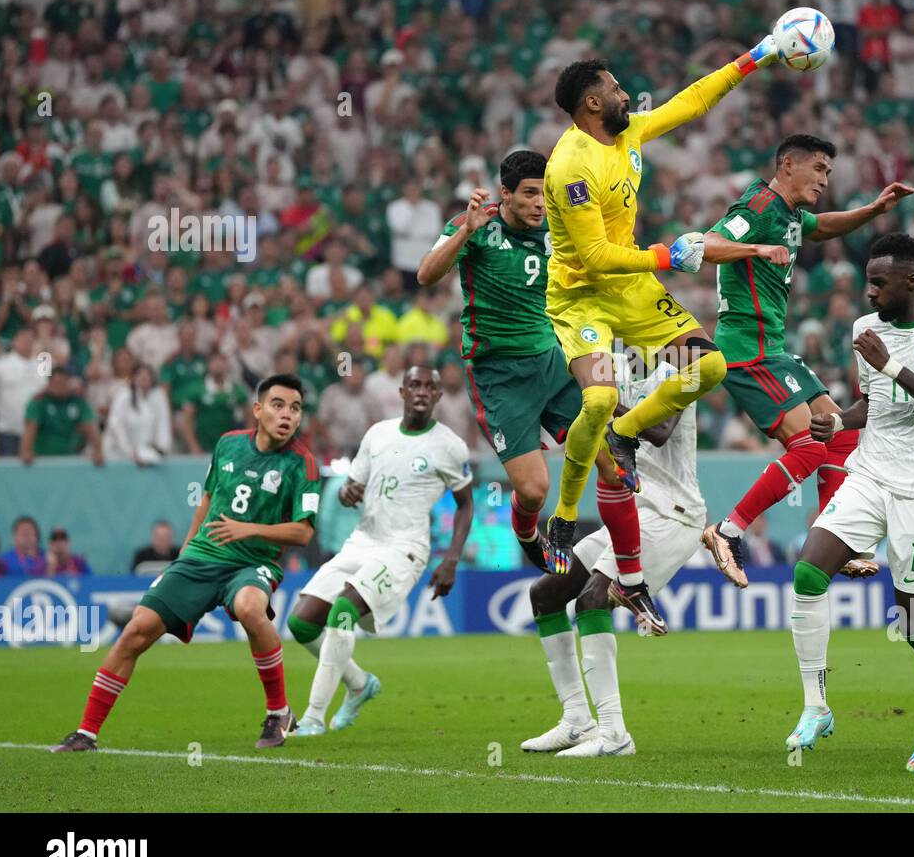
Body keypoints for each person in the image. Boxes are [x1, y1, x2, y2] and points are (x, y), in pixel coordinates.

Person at [540, 39, 784, 573]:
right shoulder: (570, 168)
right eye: (615, 88)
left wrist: (758, 55)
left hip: (632, 287)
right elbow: (597, 257)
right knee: (601, 397)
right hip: (582, 297)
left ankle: (626, 436)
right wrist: (667, 255)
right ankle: (561, 517)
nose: (627, 93)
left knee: (710, 366)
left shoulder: (627, 131)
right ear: (592, 105)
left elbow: (692, 102)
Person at [788, 232, 914, 773]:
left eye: (878, 282)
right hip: (869, 473)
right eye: (867, 280)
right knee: (808, 571)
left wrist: (893, 365)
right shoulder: (865, 330)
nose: (867, 293)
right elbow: (874, 403)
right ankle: (816, 705)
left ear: (912, 281)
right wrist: (837, 422)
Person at [52, 373, 321, 753]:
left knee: (249, 607)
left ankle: (279, 712)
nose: (287, 415)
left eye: (295, 409)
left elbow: (304, 533)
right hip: (201, 558)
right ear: (258, 410)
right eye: (278, 405)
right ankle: (86, 733)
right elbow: (208, 499)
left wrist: (249, 530)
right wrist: (185, 554)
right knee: (136, 631)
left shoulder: (303, 463)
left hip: (253, 564)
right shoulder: (228, 444)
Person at [417, 150, 641, 602]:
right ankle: (526, 532)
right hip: (499, 375)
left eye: (545, 193)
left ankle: (631, 572)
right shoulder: (476, 223)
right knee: (534, 490)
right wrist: (465, 231)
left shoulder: (557, 230)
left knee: (615, 470)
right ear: (505, 195)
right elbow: (426, 275)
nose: (540, 203)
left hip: (552, 362)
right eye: (530, 194)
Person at [699, 132, 914, 584]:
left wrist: (874, 210)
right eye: (818, 169)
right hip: (746, 351)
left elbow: (826, 225)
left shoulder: (791, 215)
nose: (824, 179)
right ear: (787, 165)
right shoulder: (758, 207)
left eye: (829, 172)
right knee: (810, 447)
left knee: (840, 435)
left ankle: (833, 536)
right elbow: (709, 245)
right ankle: (728, 531)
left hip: (772, 350)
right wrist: (757, 248)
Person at [523, 355, 697, 757]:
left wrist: (598, 402)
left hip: (673, 514)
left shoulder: (682, 366)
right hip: (630, 512)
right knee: (545, 594)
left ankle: (615, 735)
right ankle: (577, 722)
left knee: (592, 598)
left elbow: (658, 430)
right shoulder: (609, 365)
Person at [288, 366, 473, 736]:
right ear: (402, 392)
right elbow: (349, 489)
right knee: (301, 622)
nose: (422, 392)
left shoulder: (450, 446)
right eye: (415, 385)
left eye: (430, 387)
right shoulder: (377, 434)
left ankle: (312, 717)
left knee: (342, 611)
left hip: (405, 548)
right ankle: (359, 685)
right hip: (363, 540)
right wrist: (346, 493)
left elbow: (466, 505)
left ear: (438, 396)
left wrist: (450, 559)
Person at [21, 368, 104, 466]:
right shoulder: (39, 401)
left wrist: (98, 451)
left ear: (69, 383)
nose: (59, 387)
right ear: (49, 384)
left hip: (69, 457)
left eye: (63, 383)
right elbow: (31, 427)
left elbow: (90, 427)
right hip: (42, 458)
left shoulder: (78, 401)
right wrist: (26, 451)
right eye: (56, 383)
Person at [102, 364, 172, 464]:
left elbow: (163, 425)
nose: (144, 379)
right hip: (117, 453)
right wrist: (130, 452)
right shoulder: (123, 396)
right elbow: (116, 426)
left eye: (147, 376)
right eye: (141, 376)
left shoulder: (158, 396)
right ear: (134, 378)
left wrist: (161, 450)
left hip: (141, 454)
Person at [0, 328, 44, 456]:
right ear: (14, 342)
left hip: (37, 432)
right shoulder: (1, 365)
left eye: (29, 340)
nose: (26, 343)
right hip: (9, 431)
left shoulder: (42, 364)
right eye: (23, 339)